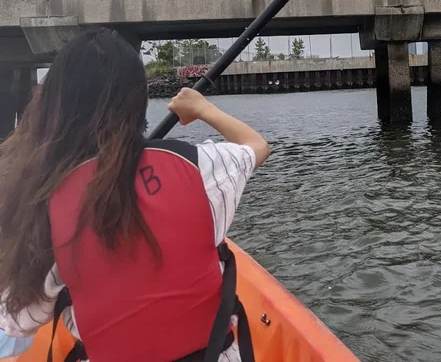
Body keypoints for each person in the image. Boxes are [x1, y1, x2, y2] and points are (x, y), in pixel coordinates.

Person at [0, 28, 270, 361]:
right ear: (138, 102)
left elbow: (17, 324)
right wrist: (201, 108)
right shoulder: (198, 166)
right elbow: (256, 146)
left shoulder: (41, 207)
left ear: (54, 107)